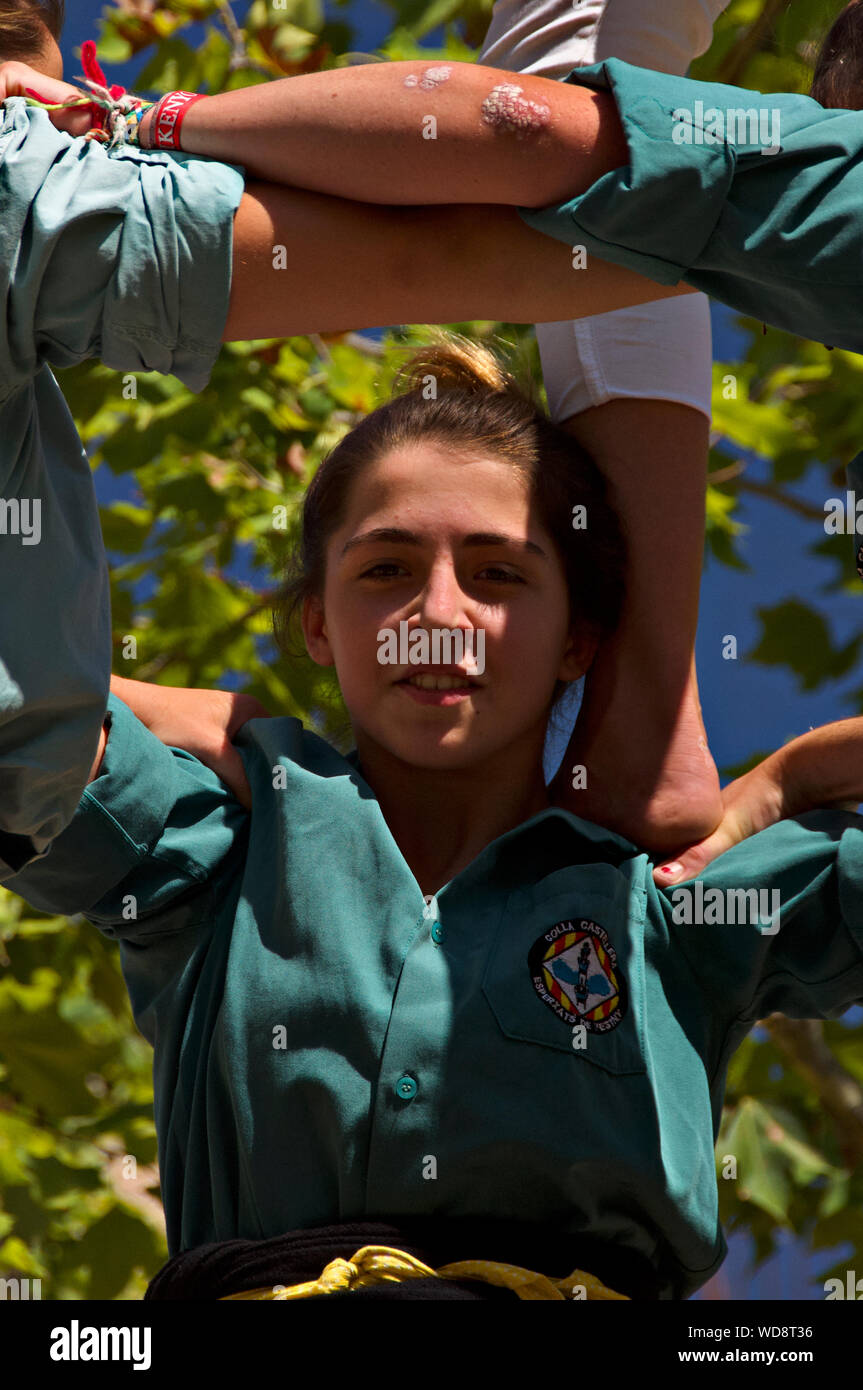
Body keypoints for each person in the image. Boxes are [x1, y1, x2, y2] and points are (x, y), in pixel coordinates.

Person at [6, 329, 863, 1301]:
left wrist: (786, 779)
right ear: (318, 623)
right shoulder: (215, 861)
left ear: (576, 640)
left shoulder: (669, 903)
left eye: (497, 574)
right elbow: (21, 725)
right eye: (385, 570)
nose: (437, 611)